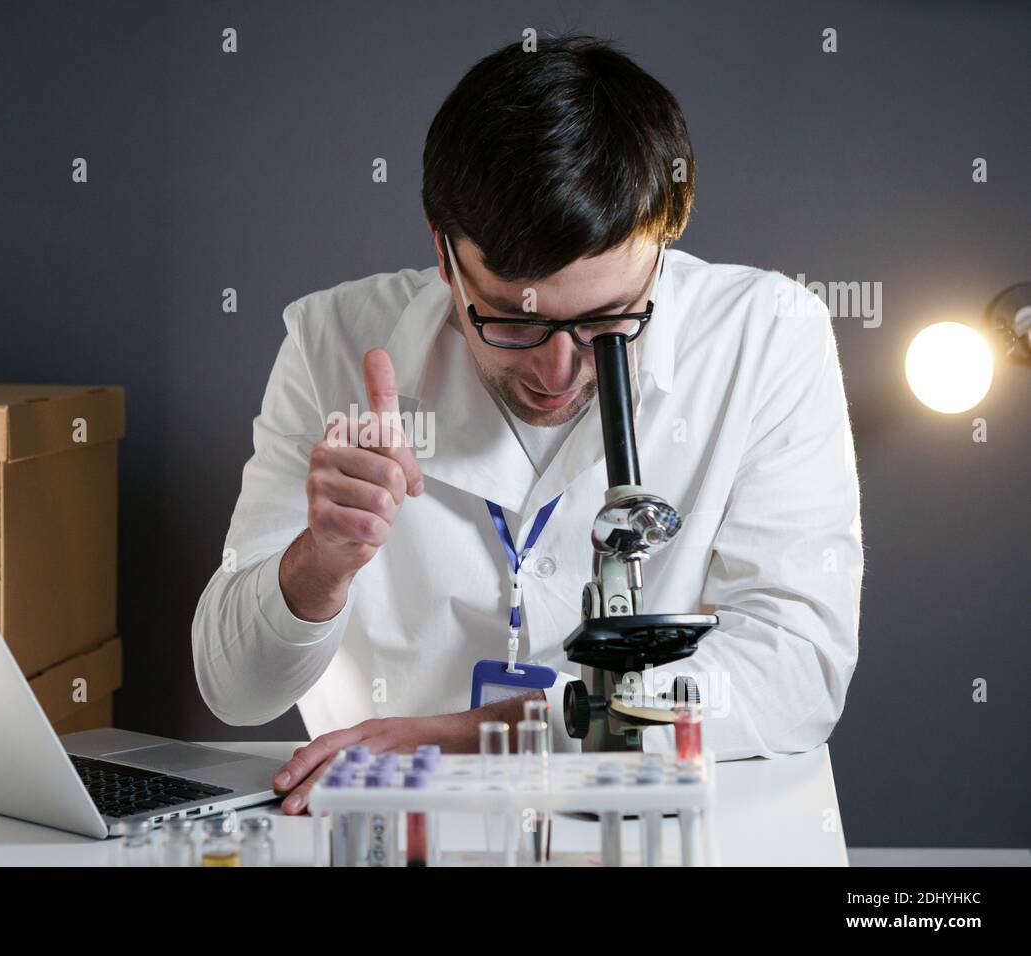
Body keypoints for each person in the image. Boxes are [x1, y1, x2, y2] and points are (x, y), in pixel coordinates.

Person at [191, 35, 862, 815]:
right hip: (385, 828)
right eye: (512, 319)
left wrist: (494, 732)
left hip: (648, 820)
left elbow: (798, 669)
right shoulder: (331, 342)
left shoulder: (769, 334)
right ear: (445, 255)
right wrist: (322, 561)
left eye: (610, 321)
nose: (556, 372)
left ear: (662, 248)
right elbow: (233, 691)